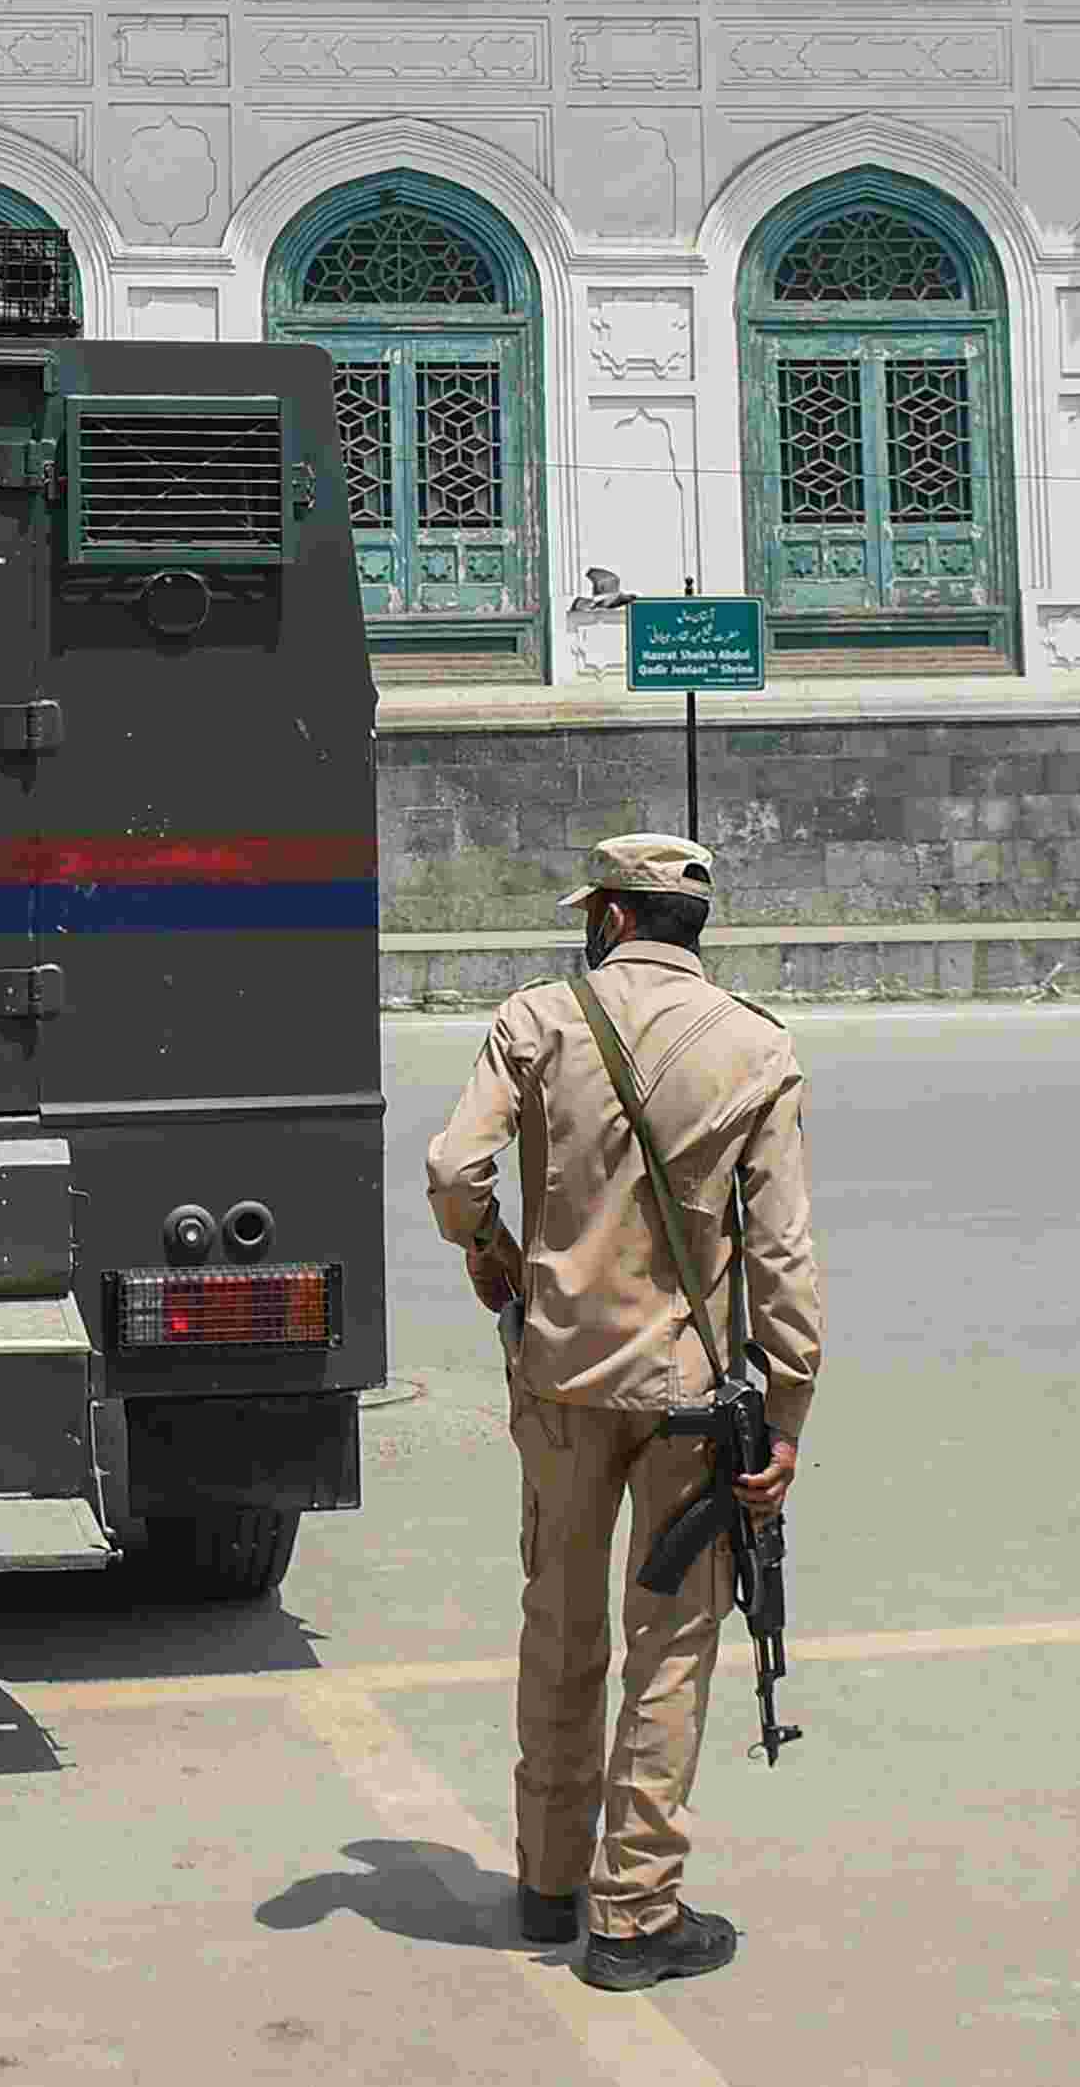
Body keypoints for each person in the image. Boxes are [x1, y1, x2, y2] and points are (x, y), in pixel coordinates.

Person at [421, 832, 822, 1994]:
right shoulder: (756, 1045)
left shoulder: (538, 1021)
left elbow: (455, 1171)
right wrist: (786, 1413)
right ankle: (636, 1912)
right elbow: (785, 1261)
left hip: (557, 1380)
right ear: (691, 930)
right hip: (690, 1400)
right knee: (673, 1645)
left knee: (559, 1624)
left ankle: (547, 1881)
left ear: (606, 916)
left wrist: (492, 1253)